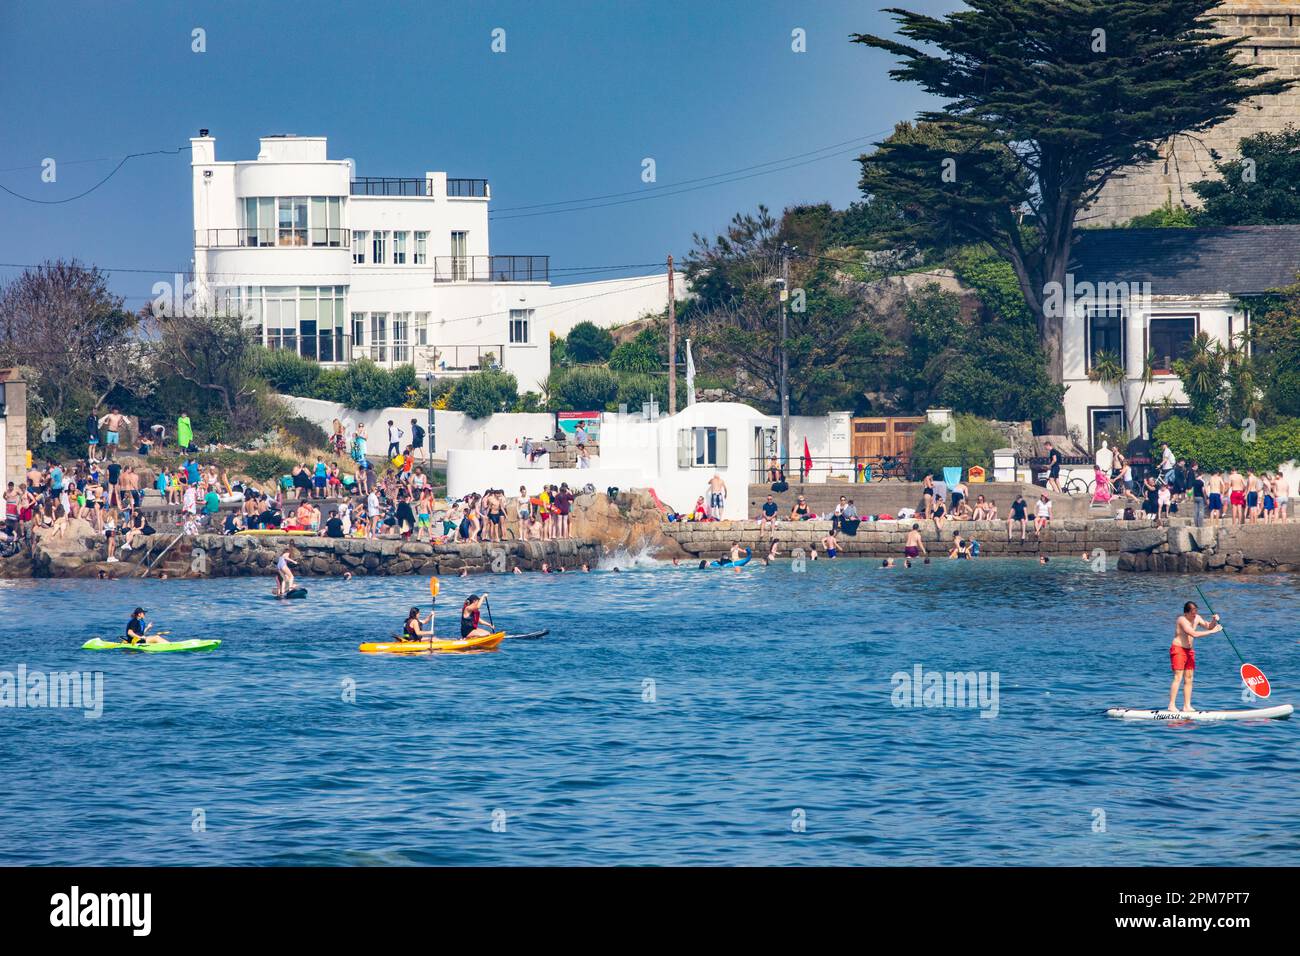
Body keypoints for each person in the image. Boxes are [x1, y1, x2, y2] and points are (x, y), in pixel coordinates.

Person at [1168, 601, 1223, 712]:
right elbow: (1194, 634)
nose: (1195, 615)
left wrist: (1214, 620)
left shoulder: (1197, 617)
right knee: (1178, 677)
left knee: (1189, 678)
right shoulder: (1181, 620)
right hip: (1178, 649)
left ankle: (1186, 706)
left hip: (1189, 651)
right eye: (1192, 613)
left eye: (1196, 612)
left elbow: (1208, 626)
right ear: (1186, 613)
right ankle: (1171, 705)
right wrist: (1213, 631)